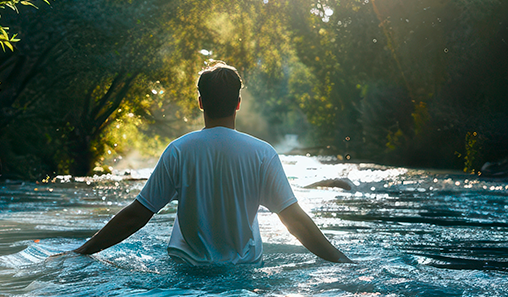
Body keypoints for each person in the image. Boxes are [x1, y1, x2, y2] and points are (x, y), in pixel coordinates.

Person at [74, 62, 352, 264]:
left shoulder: (178, 151)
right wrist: (342, 260)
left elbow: (137, 215)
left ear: (201, 102)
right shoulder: (263, 154)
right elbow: (295, 221)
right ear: (238, 103)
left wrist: (82, 251)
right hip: (243, 275)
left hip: (187, 273)